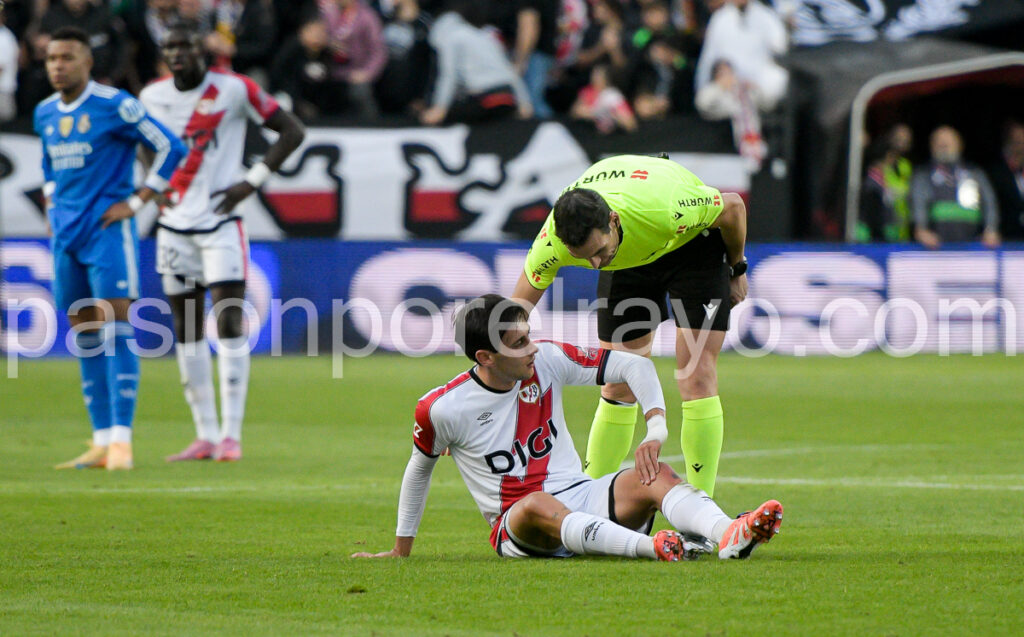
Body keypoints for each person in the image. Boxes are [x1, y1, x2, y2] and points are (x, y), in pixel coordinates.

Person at [352, 294, 783, 561]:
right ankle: (653, 548)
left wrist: (655, 430)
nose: (532, 348)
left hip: (582, 495)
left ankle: (728, 533)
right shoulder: (441, 408)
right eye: (519, 343)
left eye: (528, 336)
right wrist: (400, 549)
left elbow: (634, 366)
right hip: (518, 525)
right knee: (536, 503)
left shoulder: (548, 360)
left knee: (653, 474)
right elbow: (418, 471)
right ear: (485, 357)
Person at [511, 154, 748, 522]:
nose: (595, 265)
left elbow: (733, 206)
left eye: (598, 252)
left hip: (692, 246)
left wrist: (737, 268)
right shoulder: (553, 241)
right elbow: (513, 317)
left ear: (613, 221)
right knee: (617, 382)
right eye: (583, 258)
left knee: (695, 375)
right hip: (630, 262)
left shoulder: (668, 208)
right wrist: (480, 387)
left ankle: (701, 517)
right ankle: (587, 507)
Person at [139, 22, 305, 462]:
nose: (177, 54)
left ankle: (231, 435)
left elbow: (292, 130)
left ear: (204, 50)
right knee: (186, 327)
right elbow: (140, 142)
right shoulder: (151, 96)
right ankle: (205, 435)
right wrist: (156, 184)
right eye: (170, 47)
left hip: (221, 225)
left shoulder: (234, 89)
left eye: (186, 46)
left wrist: (251, 182)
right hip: (173, 227)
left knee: (229, 321)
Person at [37, 27, 187, 470]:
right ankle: (101, 441)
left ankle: (122, 441)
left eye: (67, 57)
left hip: (107, 230)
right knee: (84, 332)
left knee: (117, 324)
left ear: (87, 61)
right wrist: (51, 201)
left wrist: (139, 201)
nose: (58, 66)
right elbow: (48, 162)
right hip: (66, 235)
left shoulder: (115, 103)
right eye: (51, 58)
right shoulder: (45, 111)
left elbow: (170, 146)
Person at [420, 0, 532, 126]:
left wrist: (439, 108)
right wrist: (524, 102)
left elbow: (448, 75)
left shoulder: (451, 38)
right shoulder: (484, 35)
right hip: (508, 96)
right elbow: (508, 71)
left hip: (485, 98)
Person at [912, 125, 1000, 249]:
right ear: (931, 146)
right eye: (939, 143)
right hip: (935, 247)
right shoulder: (924, 174)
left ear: (959, 145)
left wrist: (991, 229)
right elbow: (918, 203)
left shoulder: (974, 173)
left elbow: (989, 202)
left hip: (973, 245)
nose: (944, 146)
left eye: (948, 142)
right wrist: (921, 230)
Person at [987, 120, 1024, 240]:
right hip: (1007, 239)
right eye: (1017, 141)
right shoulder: (996, 174)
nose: (1021, 147)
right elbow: (992, 206)